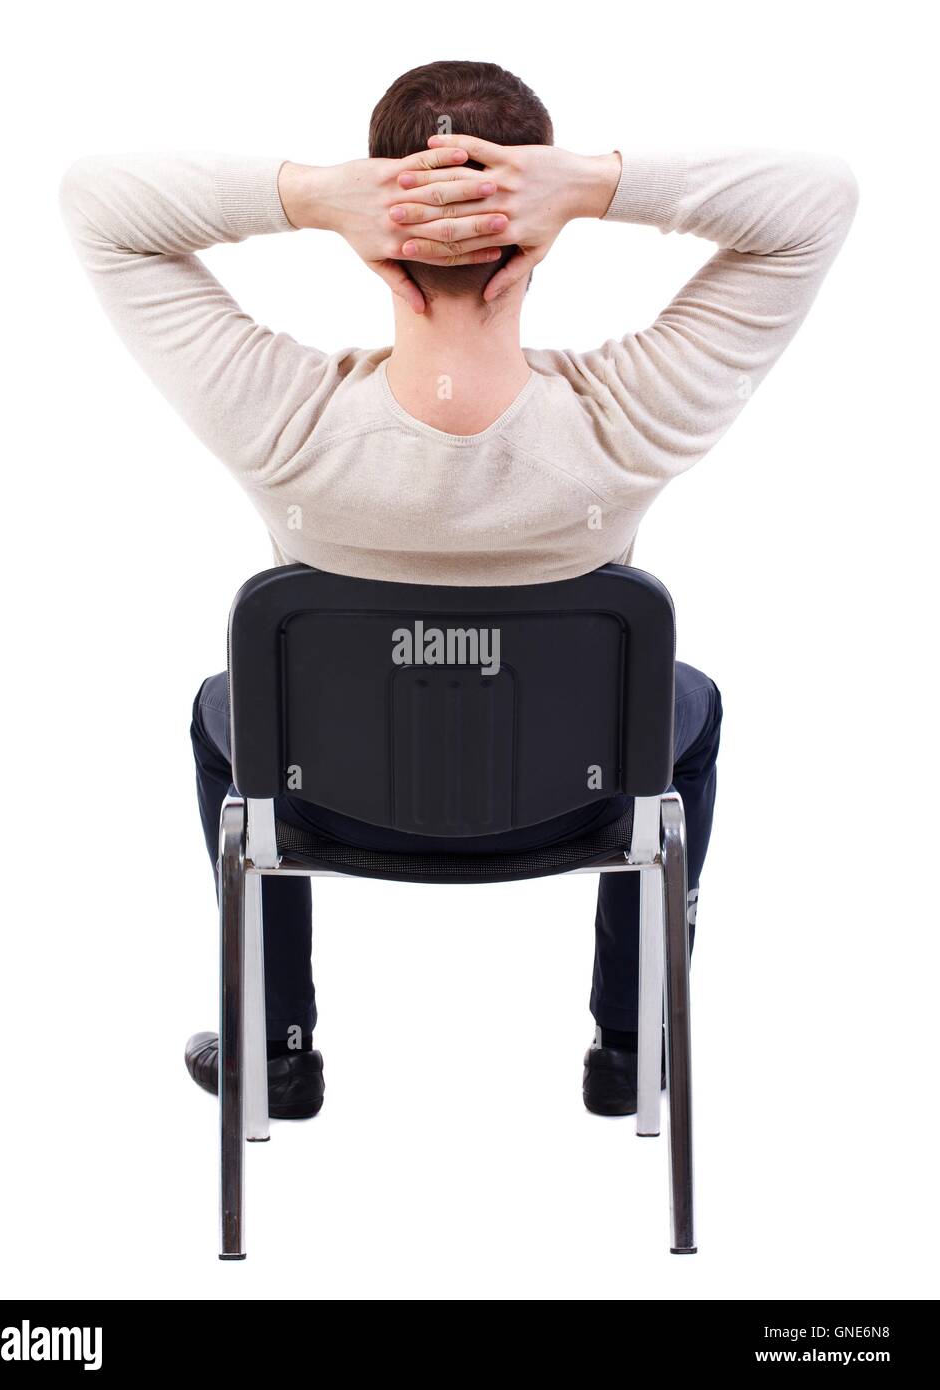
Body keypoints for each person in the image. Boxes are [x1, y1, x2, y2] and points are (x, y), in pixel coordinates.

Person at [60, 60, 857, 1120]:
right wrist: (590, 184)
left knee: (227, 706)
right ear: (539, 232)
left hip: (325, 797)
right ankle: (633, 1046)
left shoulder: (279, 420)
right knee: (686, 704)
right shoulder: (629, 417)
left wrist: (317, 196)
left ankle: (275, 1049)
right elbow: (816, 201)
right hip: (577, 799)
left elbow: (98, 205)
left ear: (377, 232)